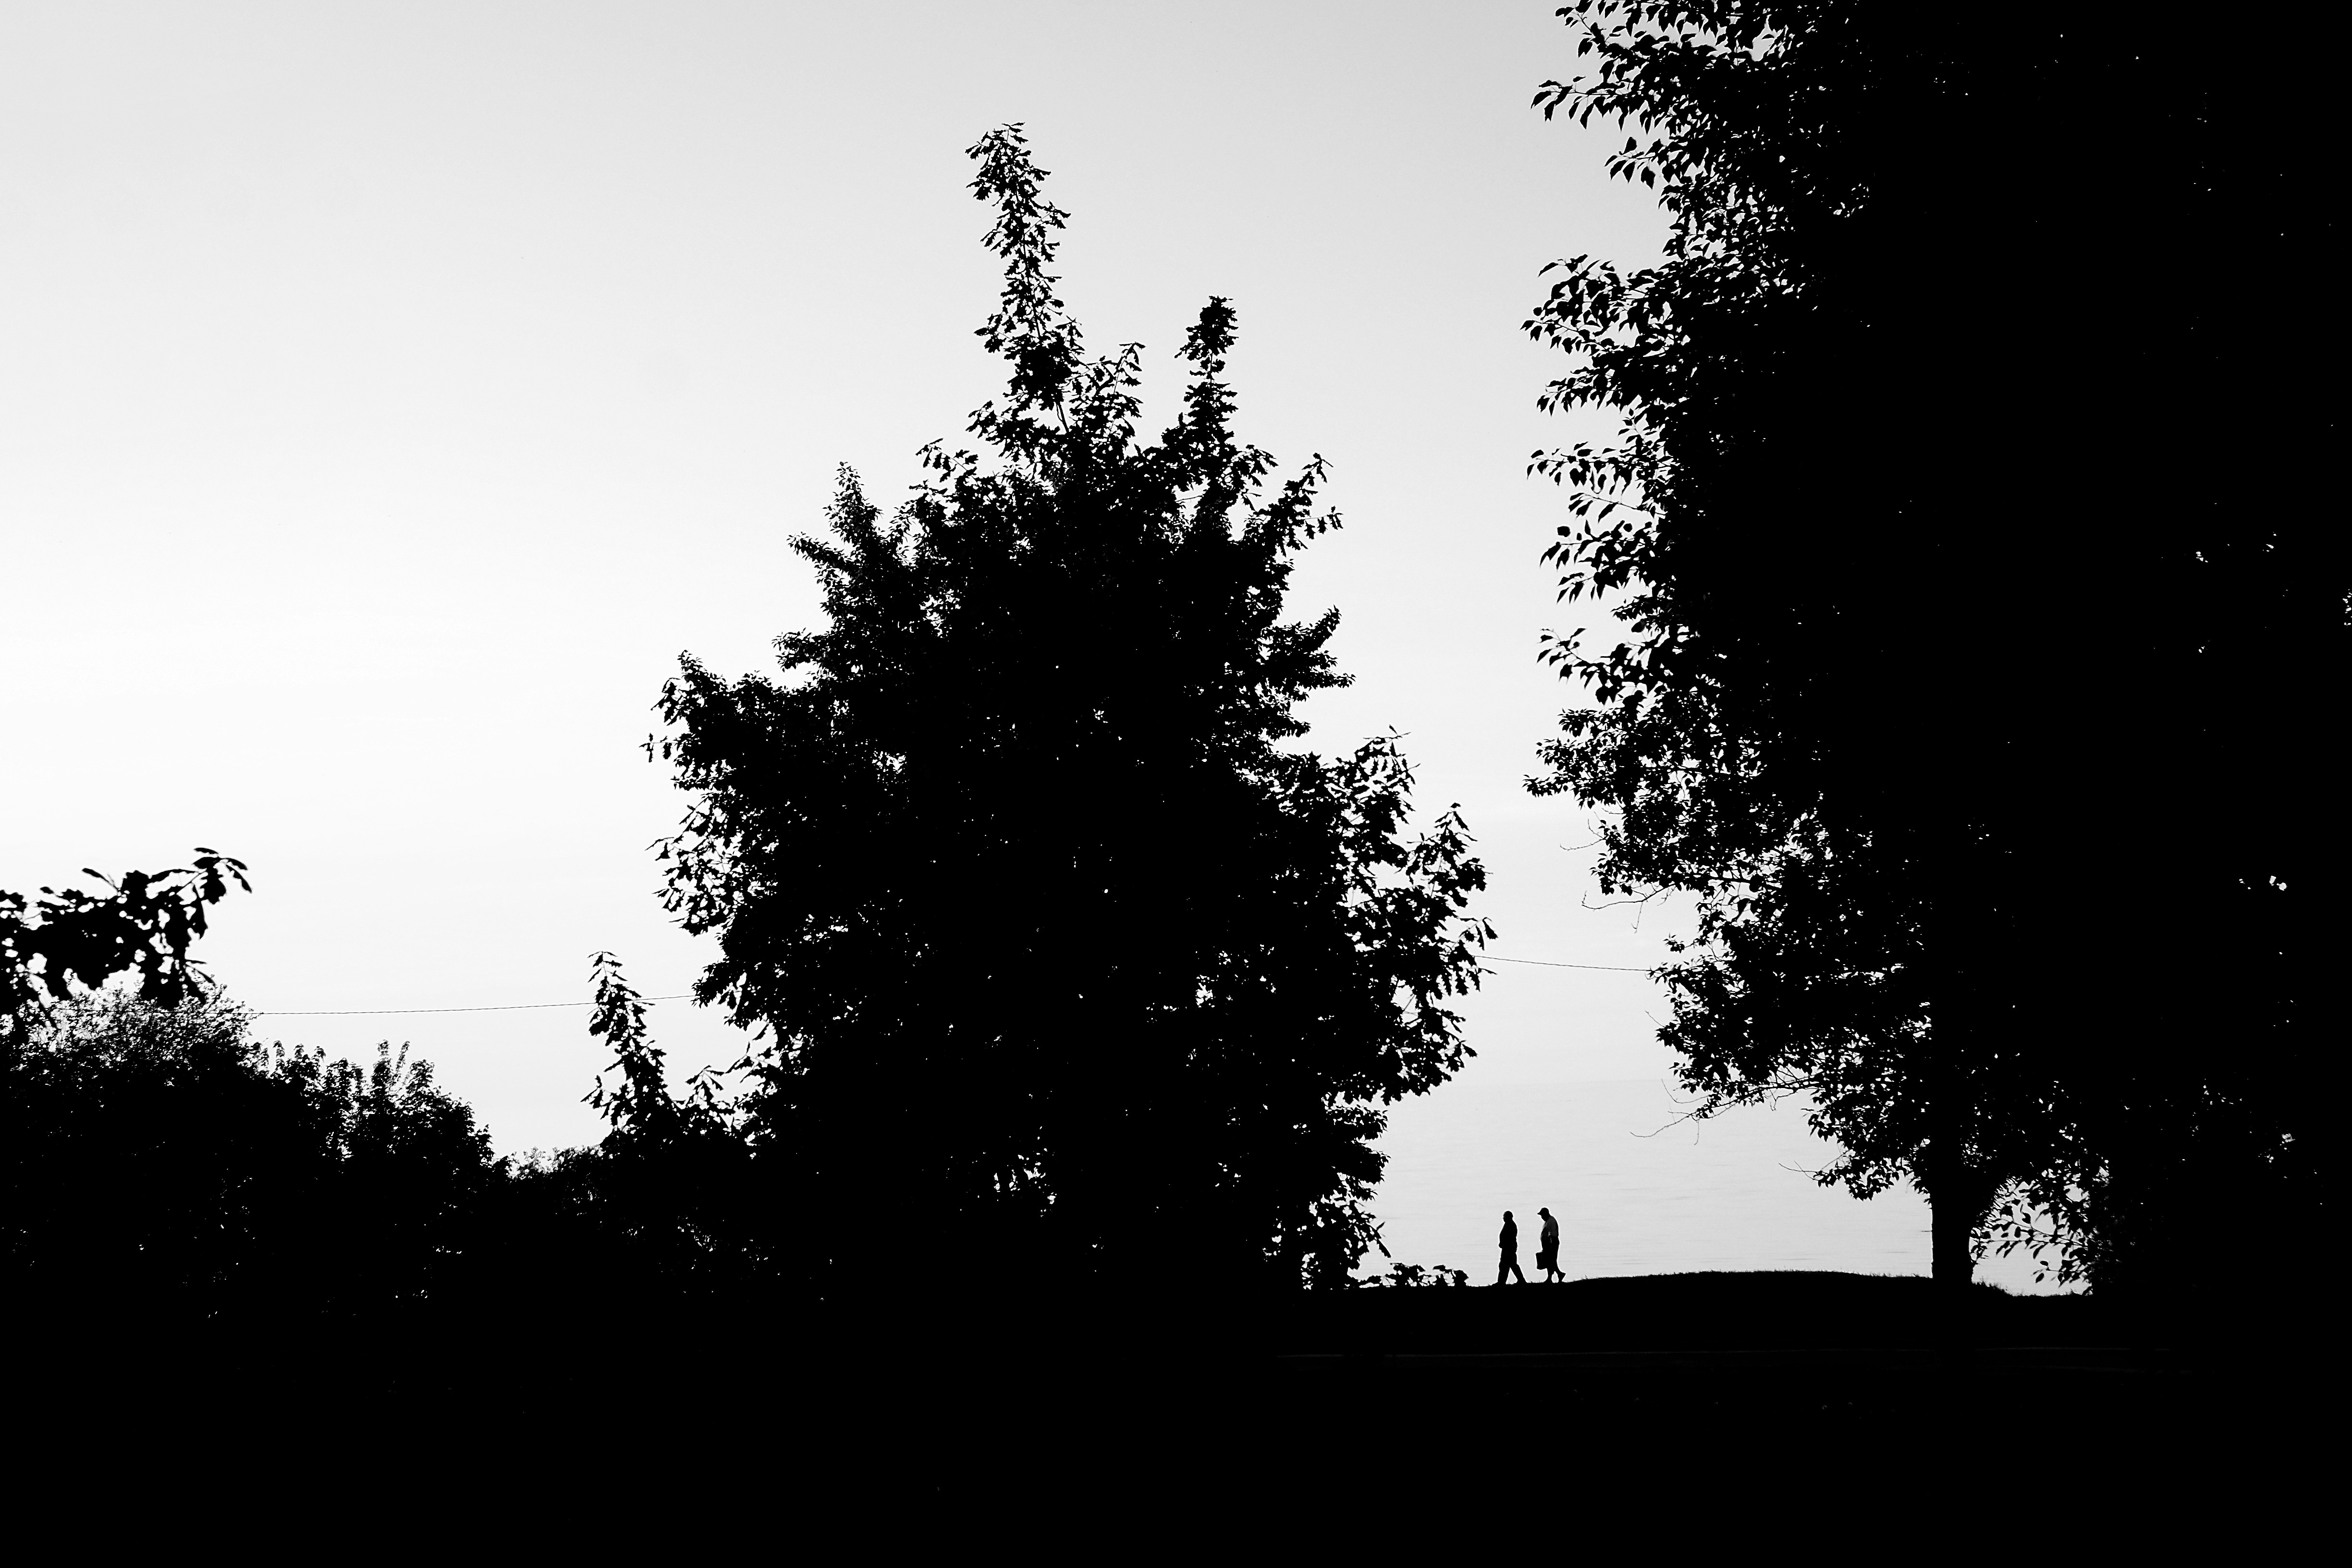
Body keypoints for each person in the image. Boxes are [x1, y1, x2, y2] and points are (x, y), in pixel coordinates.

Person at [1496, 1210, 1528, 1286]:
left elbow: (1509, 1238)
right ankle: (1502, 1282)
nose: (1503, 1218)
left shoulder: (1511, 1225)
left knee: (1511, 1265)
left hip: (1509, 1248)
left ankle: (1521, 1280)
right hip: (1507, 1248)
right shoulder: (1508, 1224)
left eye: (1504, 1217)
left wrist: (1503, 1243)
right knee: (1505, 1265)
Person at [1537, 1206, 1565, 1283]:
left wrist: (1551, 1246)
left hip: (1552, 1244)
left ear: (1546, 1214)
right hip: (1548, 1245)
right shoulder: (1548, 1221)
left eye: (1542, 1215)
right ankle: (1551, 1278)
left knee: (1551, 1261)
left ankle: (1559, 1274)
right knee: (1550, 1261)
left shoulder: (1551, 1222)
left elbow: (1553, 1235)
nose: (1542, 1217)